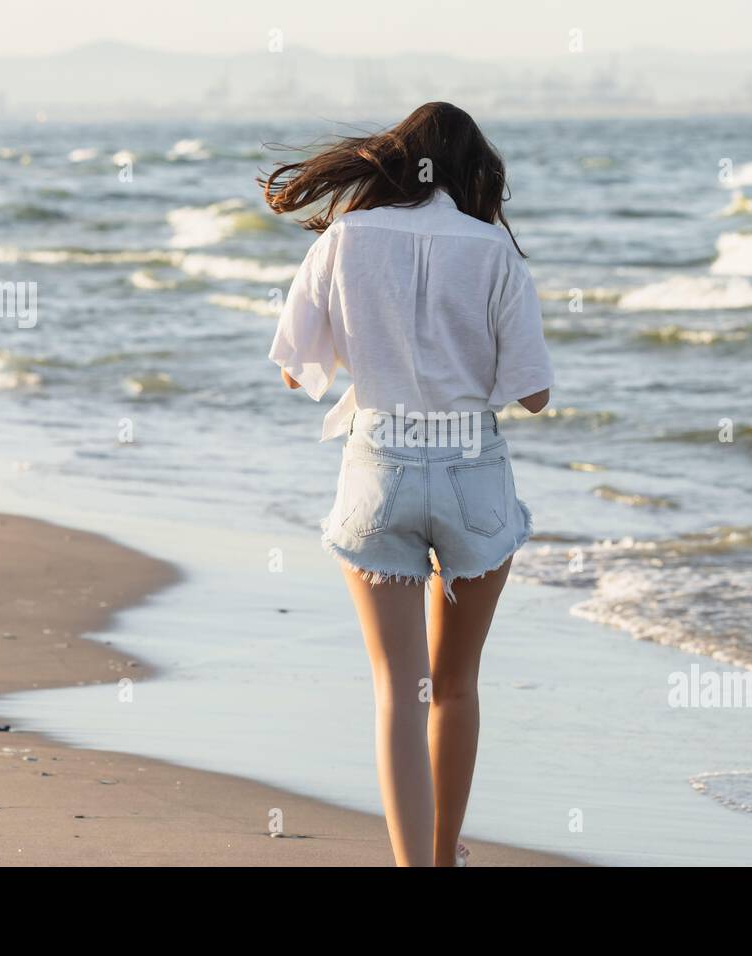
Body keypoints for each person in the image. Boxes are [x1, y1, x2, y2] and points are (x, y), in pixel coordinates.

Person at [263, 102, 554, 866]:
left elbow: (297, 371)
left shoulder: (346, 239)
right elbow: (534, 394)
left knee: (402, 692)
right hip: (471, 472)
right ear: (471, 172)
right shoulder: (492, 250)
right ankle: (445, 850)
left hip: (379, 467)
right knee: (455, 686)